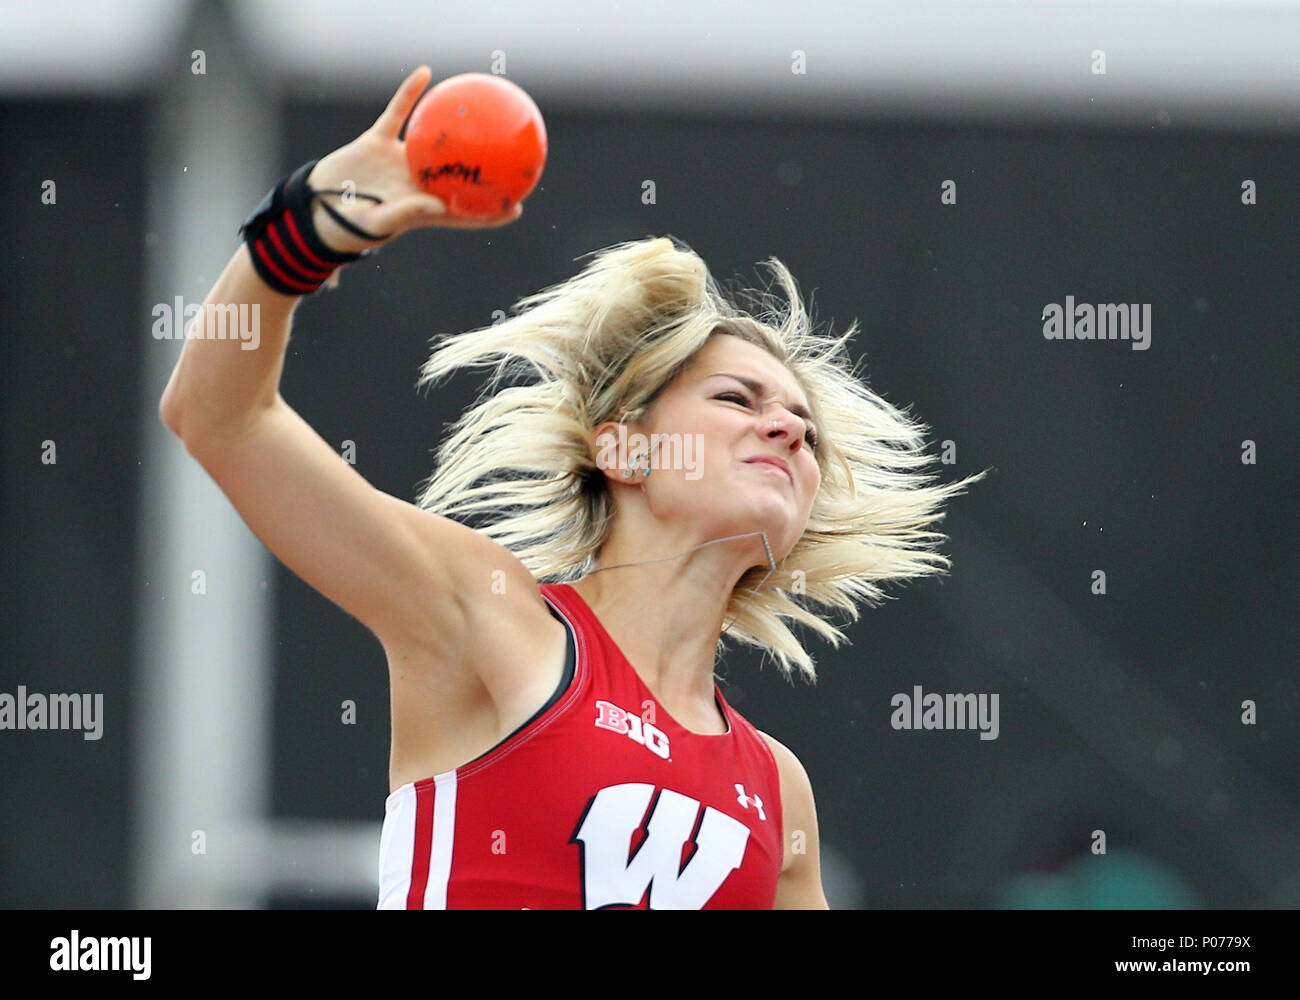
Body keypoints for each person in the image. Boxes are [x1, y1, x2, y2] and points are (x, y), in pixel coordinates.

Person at [159, 66, 982, 909]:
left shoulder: (777, 792)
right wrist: (303, 231)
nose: (788, 429)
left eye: (804, 428)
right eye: (737, 399)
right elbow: (218, 417)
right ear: (622, 451)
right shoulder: (489, 616)